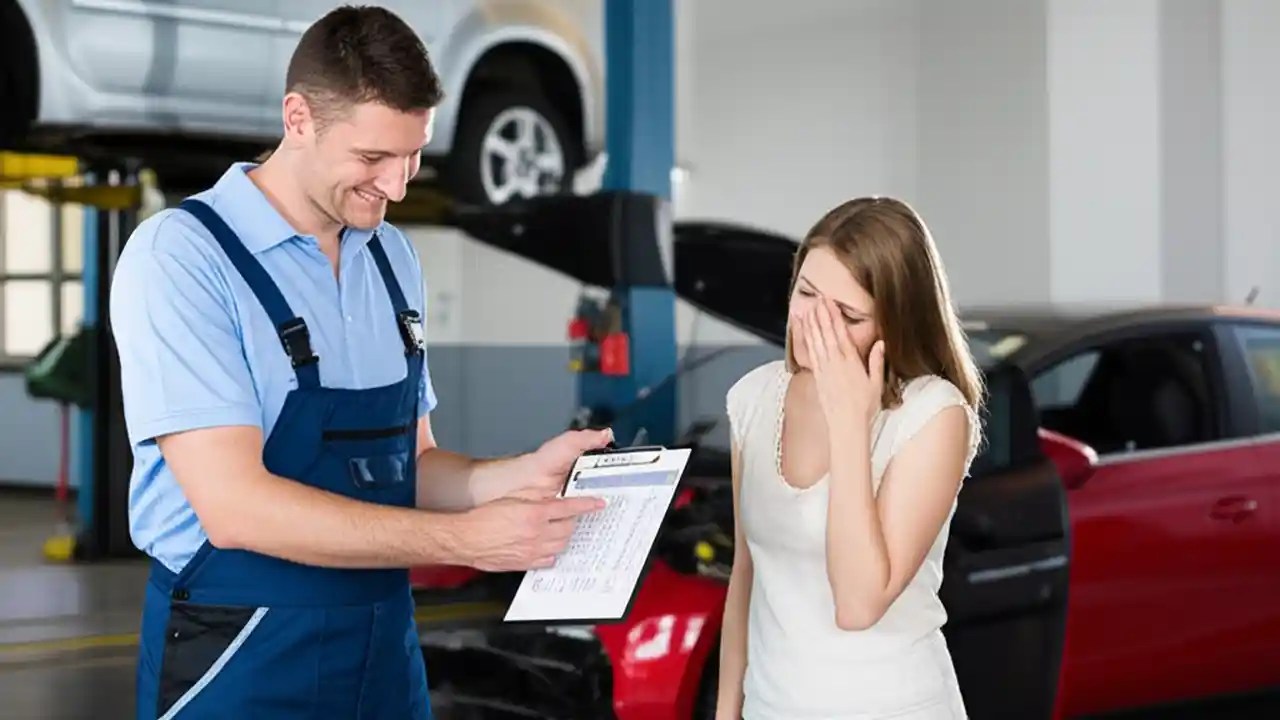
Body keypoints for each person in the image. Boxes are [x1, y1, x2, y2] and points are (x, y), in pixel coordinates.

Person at [109, 6, 608, 719]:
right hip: (238, 649)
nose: (398, 185)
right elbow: (235, 509)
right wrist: (466, 541)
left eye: (414, 155)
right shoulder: (183, 258)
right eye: (374, 159)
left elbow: (410, 465)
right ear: (299, 117)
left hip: (382, 650)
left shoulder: (390, 257)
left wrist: (519, 476)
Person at [714, 197, 984, 719]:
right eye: (807, 293)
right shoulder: (752, 398)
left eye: (847, 315)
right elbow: (747, 575)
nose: (817, 323)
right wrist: (728, 711)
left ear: (895, 324)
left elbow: (859, 604)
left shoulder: (933, 413)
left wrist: (849, 424)